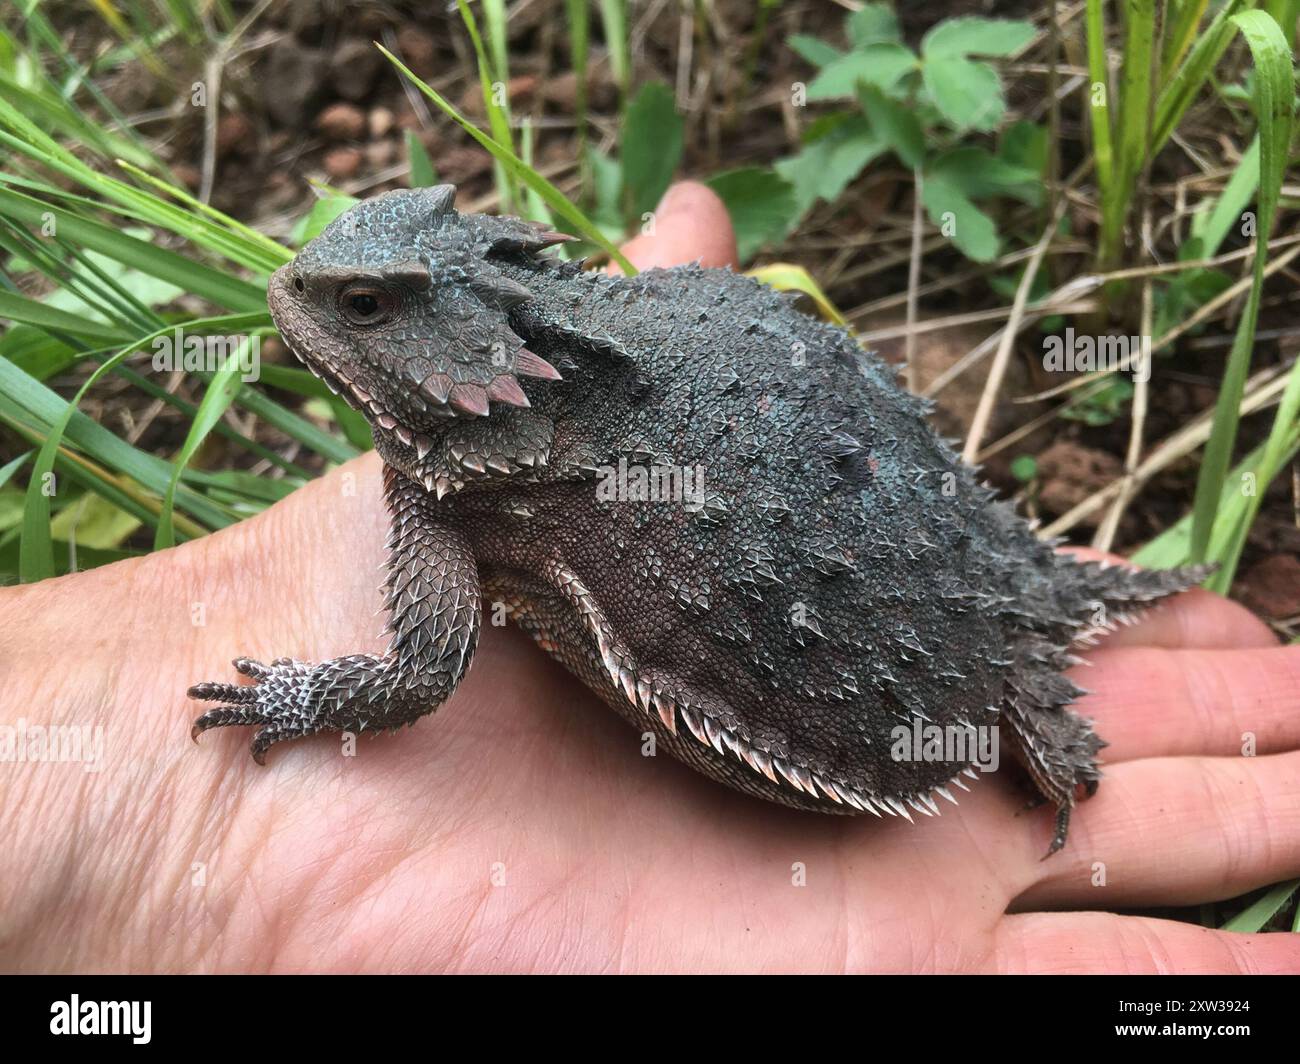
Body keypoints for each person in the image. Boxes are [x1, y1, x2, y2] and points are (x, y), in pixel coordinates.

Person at [1, 182, 1296, 973]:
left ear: (472, 331)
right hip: (889, 526)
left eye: (375, 308)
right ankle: (1014, 629)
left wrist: (290, 702)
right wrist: (152, 800)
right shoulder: (468, 472)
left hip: (884, 636)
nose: (307, 302)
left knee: (990, 638)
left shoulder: (470, 494)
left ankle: (1016, 664)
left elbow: (411, 674)